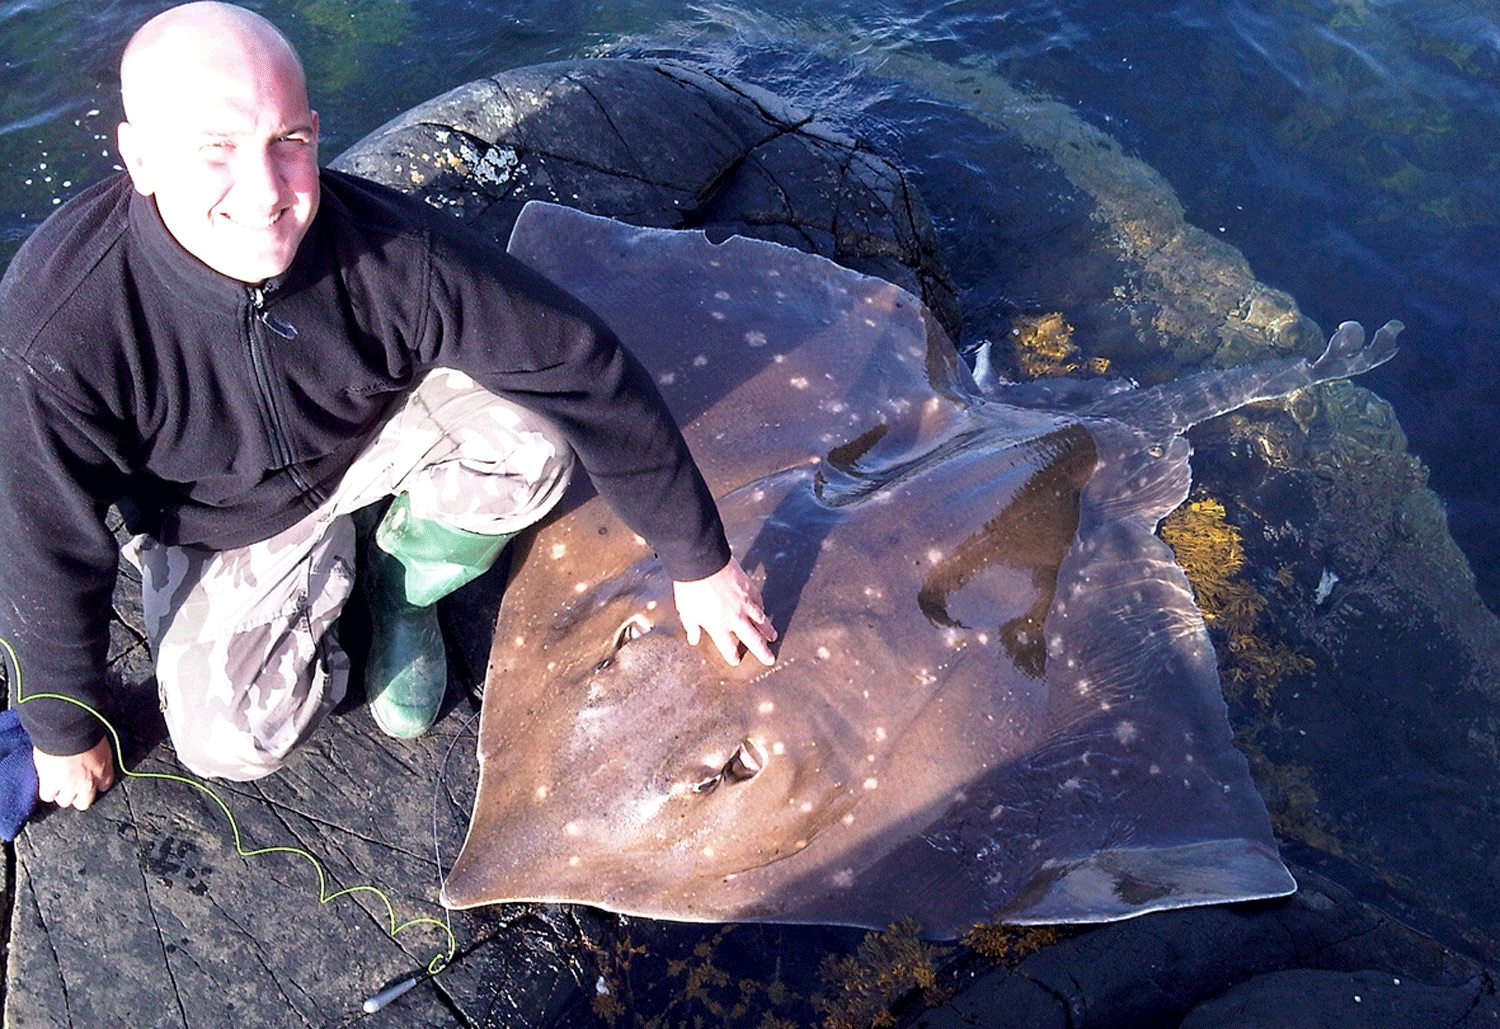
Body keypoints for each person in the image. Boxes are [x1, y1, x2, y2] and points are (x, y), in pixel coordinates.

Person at [0, 2, 776, 812]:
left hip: (364, 437)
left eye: (287, 142)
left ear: (314, 134)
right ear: (141, 158)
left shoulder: (389, 250)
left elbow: (581, 363)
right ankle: (317, 582)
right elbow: (40, 547)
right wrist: (63, 728)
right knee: (231, 740)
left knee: (536, 440)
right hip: (213, 519)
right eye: (216, 149)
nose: (265, 192)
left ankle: (399, 584)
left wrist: (700, 559)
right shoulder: (59, 325)